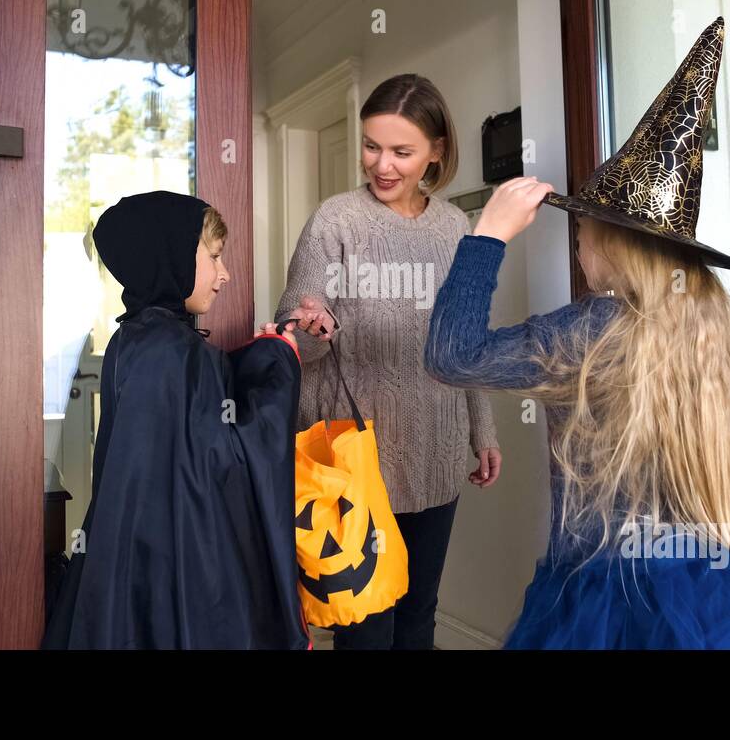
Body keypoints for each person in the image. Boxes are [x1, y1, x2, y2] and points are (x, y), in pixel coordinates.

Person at [424, 18, 730, 649]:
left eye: (582, 233)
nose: (579, 249)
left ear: (607, 241)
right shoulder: (716, 324)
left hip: (604, 592)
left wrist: (486, 236)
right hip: (716, 577)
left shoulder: (590, 333)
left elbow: (450, 357)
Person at [277, 74, 500, 650]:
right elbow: (291, 331)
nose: (382, 165)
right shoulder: (336, 220)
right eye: (372, 146)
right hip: (355, 461)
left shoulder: (454, 227)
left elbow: (466, 338)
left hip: (438, 443)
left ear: (436, 152)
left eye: (402, 151)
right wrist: (313, 328)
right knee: (365, 624)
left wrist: (484, 429)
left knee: (419, 614)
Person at [43, 190, 309, 650]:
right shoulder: (177, 353)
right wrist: (280, 366)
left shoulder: (134, 340)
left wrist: (260, 357)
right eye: (214, 256)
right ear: (171, 256)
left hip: (131, 562)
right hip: (184, 573)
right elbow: (229, 461)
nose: (224, 274)